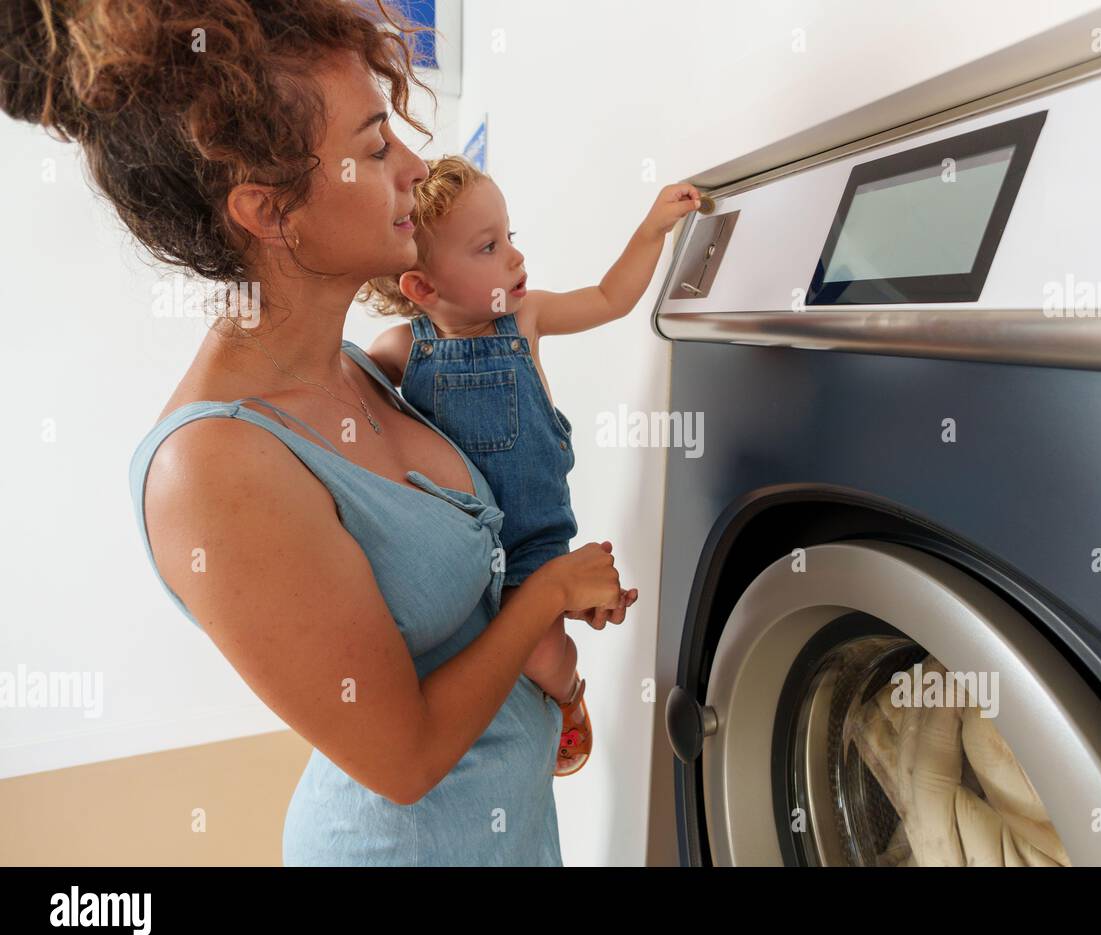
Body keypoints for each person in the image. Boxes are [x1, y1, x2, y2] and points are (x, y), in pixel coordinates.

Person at [1, 0, 630, 865]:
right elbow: (404, 760)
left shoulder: (367, 366)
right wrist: (550, 595)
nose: (414, 169)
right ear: (268, 211)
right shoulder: (211, 468)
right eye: (375, 148)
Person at [360, 157, 696, 774]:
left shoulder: (527, 318)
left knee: (543, 656)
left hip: (533, 542)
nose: (514, 259)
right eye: (488, 247)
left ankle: (570, 699)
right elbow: (351, 413)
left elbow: (609, 298)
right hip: (460, 549)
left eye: (510, 238)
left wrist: (652, 229)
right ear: (423, 289)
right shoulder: (399, 353)